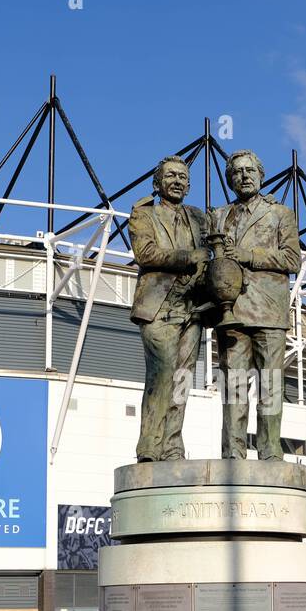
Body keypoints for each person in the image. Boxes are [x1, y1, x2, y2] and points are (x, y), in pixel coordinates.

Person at [213, 149, 301, 461]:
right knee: (233, 389)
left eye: (250, 170)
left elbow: (292, 259)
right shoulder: (219, 216)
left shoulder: (280, 214)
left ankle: (270, 451)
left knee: (271, 386)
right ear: (230, 179)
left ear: (261, 176)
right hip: (232, 313)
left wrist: (249, 255)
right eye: (237, 172)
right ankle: (233, 454)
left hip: (269, 312)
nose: (244, 176)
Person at [129, 155, 210, 462]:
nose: (177, 181)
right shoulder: (143, 213)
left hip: (192, 308)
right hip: (158, 305)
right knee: (161, 374)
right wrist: (188, 257)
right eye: (171, 176)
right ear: (157, 182)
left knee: (182, 380)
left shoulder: (198, 218)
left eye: (183, 177)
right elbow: (146, 253)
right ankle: (149, 445)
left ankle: (173, 446)